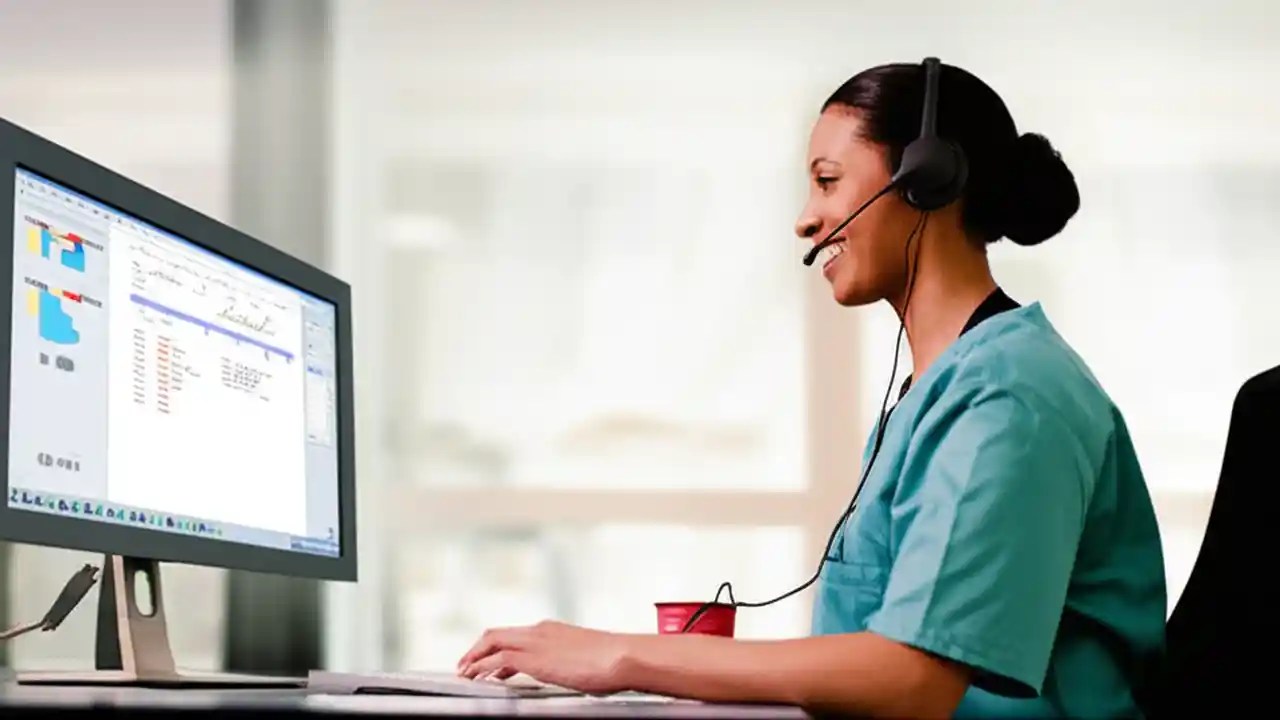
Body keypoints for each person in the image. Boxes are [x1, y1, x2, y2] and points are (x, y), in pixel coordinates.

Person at [457, 60, 1168, 719]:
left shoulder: (1009, 397)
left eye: (828, 182)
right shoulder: (947, 389)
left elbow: (915, 680)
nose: (805, 217)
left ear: (925, 181)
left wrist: (620, 656)